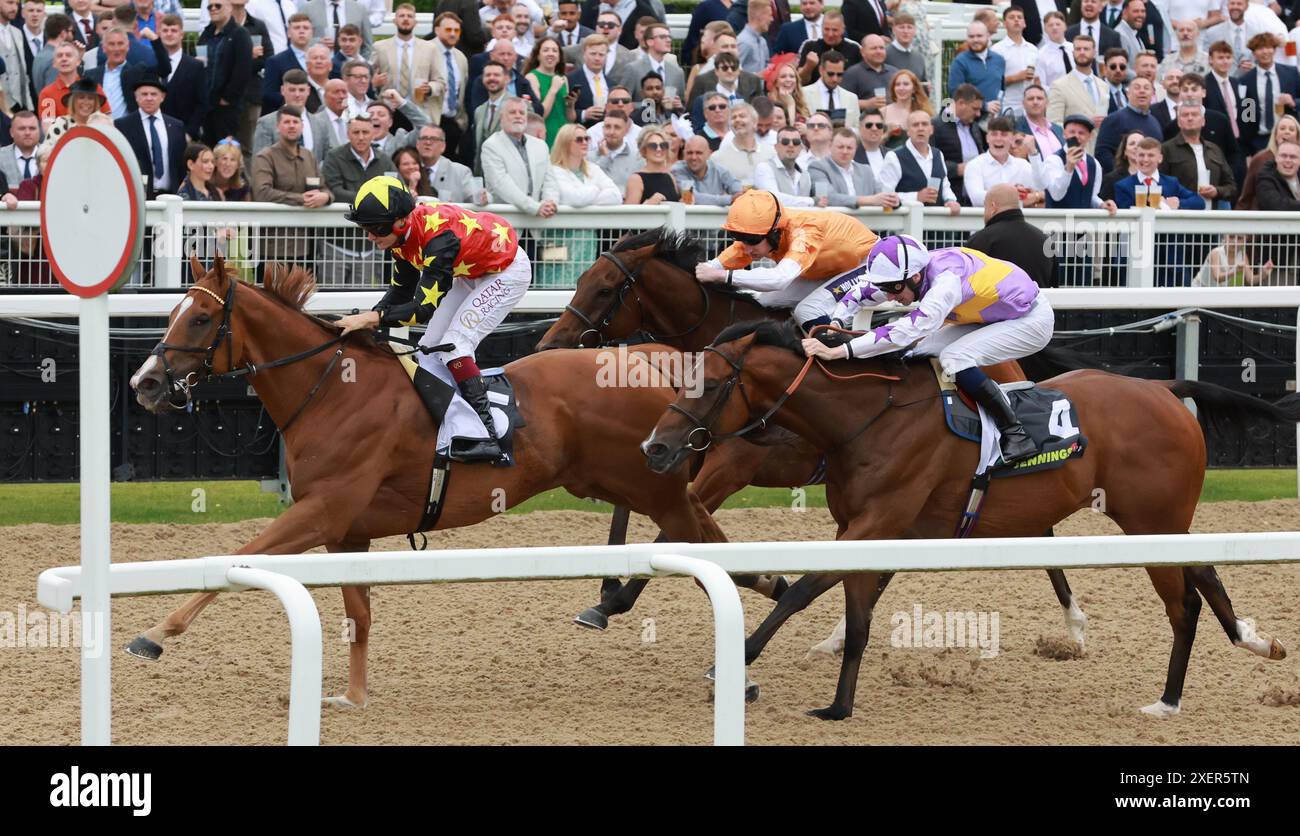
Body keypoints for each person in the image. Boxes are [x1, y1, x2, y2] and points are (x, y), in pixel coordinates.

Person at [804, 234, 1053, 464]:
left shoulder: (945, 283)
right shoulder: (912, 274)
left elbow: (907, 330)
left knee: (954, 358)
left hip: (1029, 320)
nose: (890, 297)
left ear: (914, 277)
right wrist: (836, 322)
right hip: (991, 316)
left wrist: (842, 350)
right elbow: (859, 293)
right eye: (886, 289)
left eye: (893, 289)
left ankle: (1016, 433)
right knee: (918, 353)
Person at [335, 175, 531, 463]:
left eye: (374, 229)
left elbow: (421, 310)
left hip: (507, 271)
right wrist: (365, 321)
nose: (369, 236)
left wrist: (371, 319)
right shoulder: (400, 236)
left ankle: (488, 436)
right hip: (471, 270)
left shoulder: (438, 240)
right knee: (429, 351)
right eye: (365, 228)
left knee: (454, 346)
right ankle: (453, 423)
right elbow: (400, 294)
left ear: (400, 222)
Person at [694, 189, 880, 331]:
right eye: (739, 238)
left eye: (752, 241)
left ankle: (839, 361)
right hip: (830, 270)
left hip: (871, 264)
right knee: (761, 302)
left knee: (807, 311)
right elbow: (710, 268)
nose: (746, 247)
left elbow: (778, 280)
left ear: (774, 232)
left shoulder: (805, 231)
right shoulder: (761, 233)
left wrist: (722, 276)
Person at [537, 122, 621, 287]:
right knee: (553, 283)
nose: (585, 142)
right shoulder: (553, 170)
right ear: (566, 143)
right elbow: (575, 198)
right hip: (557, 238)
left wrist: (586, 193)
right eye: (579, 139)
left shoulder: (592, 168)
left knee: (583, 287)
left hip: (587, 239)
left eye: (587, 138)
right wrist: (596, 189)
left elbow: (615, 196)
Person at [966, 183, 1057, 289]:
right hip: (1036, 304)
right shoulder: (1046, 242)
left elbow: (969, 287)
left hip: (995, 305)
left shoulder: (980, 241)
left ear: (993, 207)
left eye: (985, 206)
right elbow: (1053, 286)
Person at [480, 95, 557, 215]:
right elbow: (502, 184)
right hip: (507, 222)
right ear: (501, 118)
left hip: (537, 224)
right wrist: (534, 207)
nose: (518, 116)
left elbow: (549, 181)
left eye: (522, 113)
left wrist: (550, 203)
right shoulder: (491, 146)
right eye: (512, 112)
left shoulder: (541, 146)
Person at [877, 108, 961, 213]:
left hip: (936, 225)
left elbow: (944, 185)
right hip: (906, 225)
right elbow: (885, 195)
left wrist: (951, 200)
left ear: (931, 130)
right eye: (915, 125)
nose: (920, 128)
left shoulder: (938, 154)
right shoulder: (894, 157)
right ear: (908, 131)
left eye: (924, 124)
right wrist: (916, 196)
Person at [1160, 100, 1236, 207]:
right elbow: (1159, 183)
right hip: (1180, 215)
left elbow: (1231, 187)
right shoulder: (1166, 149)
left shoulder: (1214, 150)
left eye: (1194, 115)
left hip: (1212, 216)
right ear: (1178, 122)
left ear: (1203, 121)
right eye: (1185, 115)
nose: (1190, 118)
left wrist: (1216, 191)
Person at [198, 0, 253, 147]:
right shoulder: (206, 34)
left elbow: (243, 69)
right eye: (210, 6)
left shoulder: (240, 34)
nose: (213, 9)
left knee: (226, 153)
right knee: (207, 150)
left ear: (229, 7)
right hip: (206, 105)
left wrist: (227, 98)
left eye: (218, 5)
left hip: (227, 108)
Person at [808, 126, 898, 208]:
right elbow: (826, 197)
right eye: (840, 147)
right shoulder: (817, 167)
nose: (845, 151)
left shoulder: (866, 170)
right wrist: (868, 200)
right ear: (830, 146)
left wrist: (892, 200)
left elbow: (881, 193)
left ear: (856, 149)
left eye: (849, 148)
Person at [963, 116, 1040, 207]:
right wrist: (1014, 194)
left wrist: (1033, 153)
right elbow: (977, 199)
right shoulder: (975, 165)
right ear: (987, 138)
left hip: (1017, 219)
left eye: (1004, 134)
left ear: (1012, 139)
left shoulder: (1023, 165)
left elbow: (1041, 187)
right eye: (994, 134)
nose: (998, 139)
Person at [1094, 75, 1162, 169]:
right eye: (1137, 88)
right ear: (1128, 93)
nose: (1142, 91)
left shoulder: (1155, 122)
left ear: (1153, 94)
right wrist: (1123, 174)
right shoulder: (1114, 119)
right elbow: (1102, 153)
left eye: (1146, 88)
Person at [1238, 113, 1300, 208]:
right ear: (1275, 134)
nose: (1287, 132)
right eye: (1282, 128)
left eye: (1291, 129)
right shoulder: (1261, 160)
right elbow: (1247, 194)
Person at [712, 102, 775, 185]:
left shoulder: (771, 153)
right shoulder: (717, 158)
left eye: (742, 116)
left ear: (755, 123)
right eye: (733, 118)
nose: (737, 120)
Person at [754, 124, 816, 206]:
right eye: (785, 141)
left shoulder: (806, 174)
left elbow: (822, 197)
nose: (791, 145)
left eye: (796, 142)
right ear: (776, 147)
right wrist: (811, 201)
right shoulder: (764, 168)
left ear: (801, 148)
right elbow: (772, 198)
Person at [948, 21, 1004, 111]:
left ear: (988, 36)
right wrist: (984, 106)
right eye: (971, 36)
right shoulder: (960, 62)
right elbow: (955, 94)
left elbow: (1002, 89)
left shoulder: (999, 60)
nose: (975, 40)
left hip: (995, 119)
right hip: (971, 121)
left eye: (979, 36)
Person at [671, 135, 743, 204]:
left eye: (699, 153)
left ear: (709, 154)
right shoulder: (678, 170)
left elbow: (739, 191)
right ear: (684, 154)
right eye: (690, 153)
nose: (694, 157)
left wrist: (739, 196)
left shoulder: (719, 170)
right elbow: (693, 197)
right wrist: (730, 199)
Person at [1193, 233, 1272, 286]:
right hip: (1199, 289)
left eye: (1240, 238)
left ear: (1245, 240)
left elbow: (1250, 279)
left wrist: (1263, 274)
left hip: (1216, 293)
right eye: (1231, 236)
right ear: (1224, 237)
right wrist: (1234, 271)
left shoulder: (1242, 255)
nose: (1234, 241)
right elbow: (1217, 277)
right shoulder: (1216, 252)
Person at [882, 68, 929, 148]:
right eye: (897, 84)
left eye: (906, 84)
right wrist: (888, 133)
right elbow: (873, 144)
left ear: (914, 88)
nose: (901, 88)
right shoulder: (883, 111)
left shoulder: (923, 112)